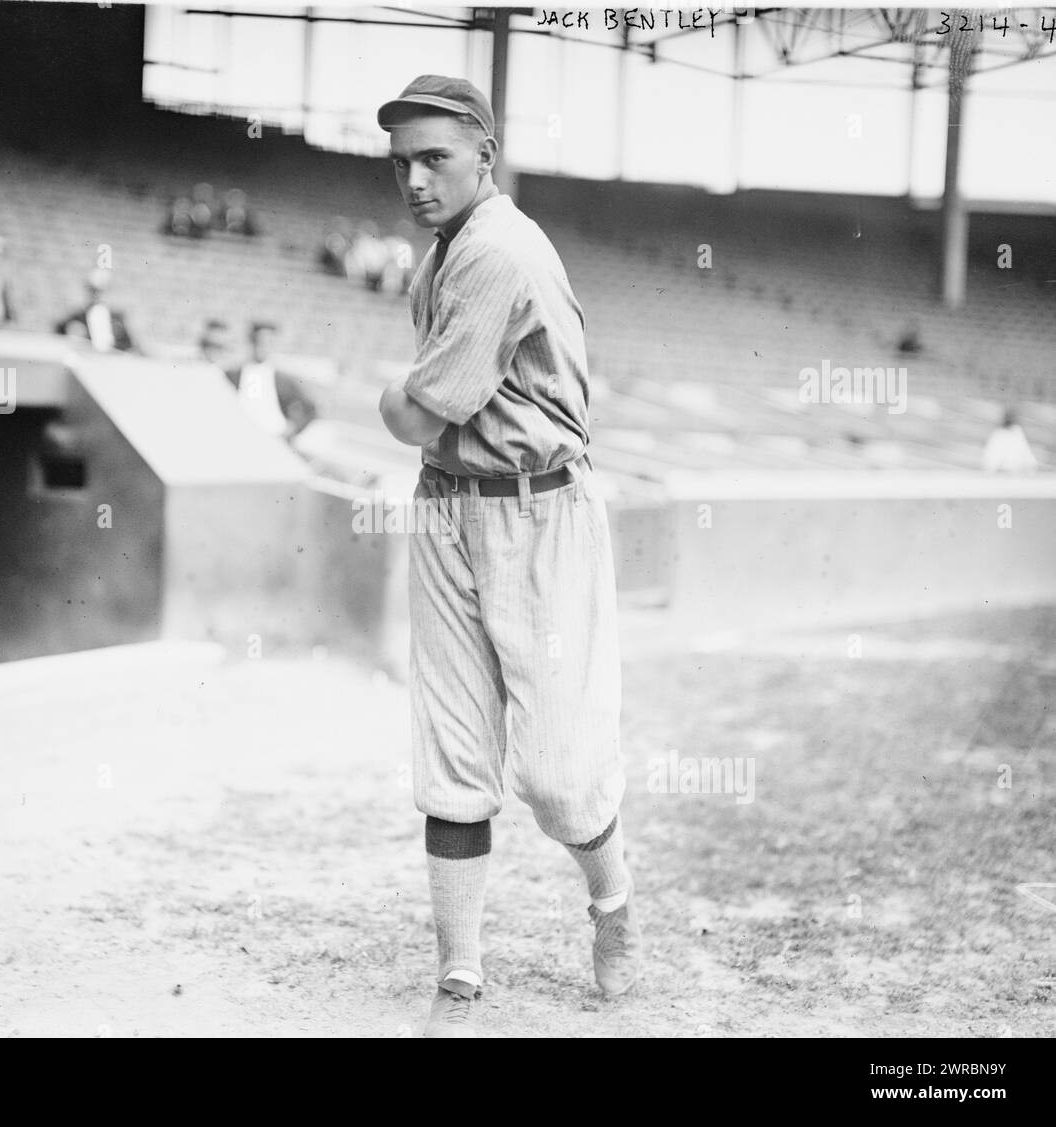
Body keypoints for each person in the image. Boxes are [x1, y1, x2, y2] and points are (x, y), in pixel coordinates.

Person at [376, 75, 637, 1038]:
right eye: (400, 161)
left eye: (434, 157)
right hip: (449, 509)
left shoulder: (497, 252)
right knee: (450, 751)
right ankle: (459, 972)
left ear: (485, 155)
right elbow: (434, 431)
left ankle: (613, 906)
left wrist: (389, 405)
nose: (413, 178)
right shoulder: (444, 248)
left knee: (562, 774)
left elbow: (417, 412)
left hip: (541, 515)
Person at [223, 321, 316, 441]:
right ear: (252, 342)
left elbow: (310, 408)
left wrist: (292, 429)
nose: (263, 347)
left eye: (268, 343)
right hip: (240, 438)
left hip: (273, 441)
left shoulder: (281, 380)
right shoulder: (233, 375)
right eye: (259, 342)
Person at [56, 268, 137, 353]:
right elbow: (58, 335)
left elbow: (128, 345)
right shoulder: (77, 319)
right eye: (93, 290)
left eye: (101, 291)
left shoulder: (117, 319)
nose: (97, 294)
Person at [982, 407, 1040, 475]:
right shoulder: (998, 433)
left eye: (1011, 417)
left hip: (1015, 473)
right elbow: (990, 457)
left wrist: (1029, 466)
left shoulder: (1017, 432)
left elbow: (1026, 454)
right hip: (1000, 473)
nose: (1009, 419)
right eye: (1008, 417)